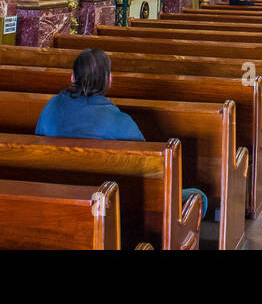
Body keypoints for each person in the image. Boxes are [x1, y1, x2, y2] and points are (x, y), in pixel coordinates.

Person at [37, 49, 209, 218]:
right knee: (198, 197)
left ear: (73, 78)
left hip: (55, 197)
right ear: (109, 80)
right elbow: (150, 169)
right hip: (114, 206)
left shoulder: (50, 107)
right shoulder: (118, 121)